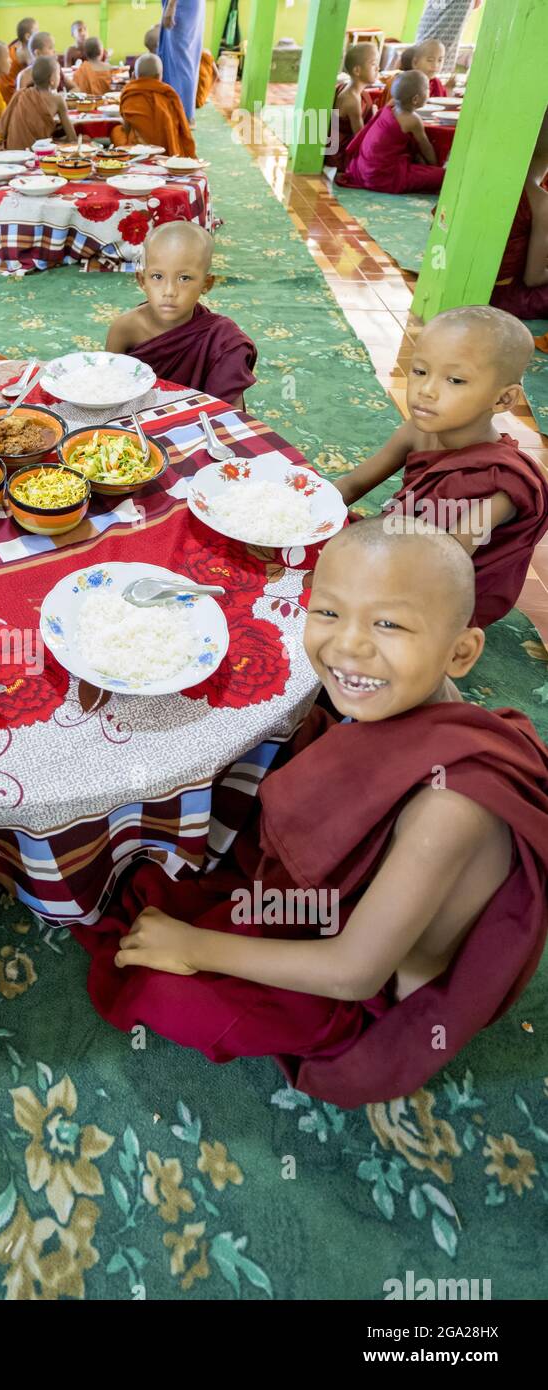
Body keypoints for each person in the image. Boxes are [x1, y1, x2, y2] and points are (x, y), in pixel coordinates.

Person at [73, 522, 548, 1108]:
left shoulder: (451, 807)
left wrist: (193, 947)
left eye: (390, 624)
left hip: (374, 991)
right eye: (327, 613)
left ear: (463, 652)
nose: (348, 645)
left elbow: (355, 974)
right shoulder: (412, 708)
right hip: (355, 912)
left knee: (159, 980)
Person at [333, 306, 548, 627]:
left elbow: (445, 563)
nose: (427, 390)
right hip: (401, 542)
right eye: (419, 371)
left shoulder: (501, 482)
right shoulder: (416, 432)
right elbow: (351, 486)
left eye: (455, 380)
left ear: (504, 400)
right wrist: (306, 515)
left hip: (442, 586)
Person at [105, 223, 257, 408]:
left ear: (206, 284)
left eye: (184, 278)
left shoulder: (223, 339)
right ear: (142, 280)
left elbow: (231, 413)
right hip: (135, 424)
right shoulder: (125, 328)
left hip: (199, 426)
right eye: (157, 277)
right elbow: (108, 391)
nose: (169, 291)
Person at [336, 71, 444, 194]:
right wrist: (434, 167)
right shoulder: (413, 120)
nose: (429, 92)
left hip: (364, 169)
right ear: (415, 99)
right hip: (385, 177)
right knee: (443, 176)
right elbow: (426, 148)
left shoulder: (388, 108)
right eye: (427, 89)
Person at [491, 111, 548, 321]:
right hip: (505, 296)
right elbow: (533, 278)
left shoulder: (489, 181)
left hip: (463, 277)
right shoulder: (541, 202)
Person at [111, 53, 195, 158]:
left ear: (135, 75)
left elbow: (126, 127)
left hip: (136, 151)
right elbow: (180, 125)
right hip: (166, 150)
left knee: (116, 131)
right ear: (160, 76)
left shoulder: (130, 92)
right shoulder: (168, 94)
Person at [0, 55, 76, 150]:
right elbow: (72, 137)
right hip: (38, 152)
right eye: (58, 74)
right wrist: (58, 143)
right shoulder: (58, 99)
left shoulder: (21, 94)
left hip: (13, 149)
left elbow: (3, 123)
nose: (59, 77)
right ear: (52, 80)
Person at [327, 42, 379, 167]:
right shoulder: (352, 99)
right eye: (373, 64)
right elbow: (359, 138)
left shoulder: (349, 87)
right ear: (357, 70)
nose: (378, 68)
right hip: (338, 153)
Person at [158, 0, 206, 129]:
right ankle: (181, 114)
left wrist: (171, 5)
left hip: (181, 4)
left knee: (181, 61)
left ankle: (183, 116)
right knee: (177, 57)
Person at [0, 17, 36, 105]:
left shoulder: (15, 46)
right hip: (12, 97)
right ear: (28, 36)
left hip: (2, 95)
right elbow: (36, 74)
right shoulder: (27, 52)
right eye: (36, 31)